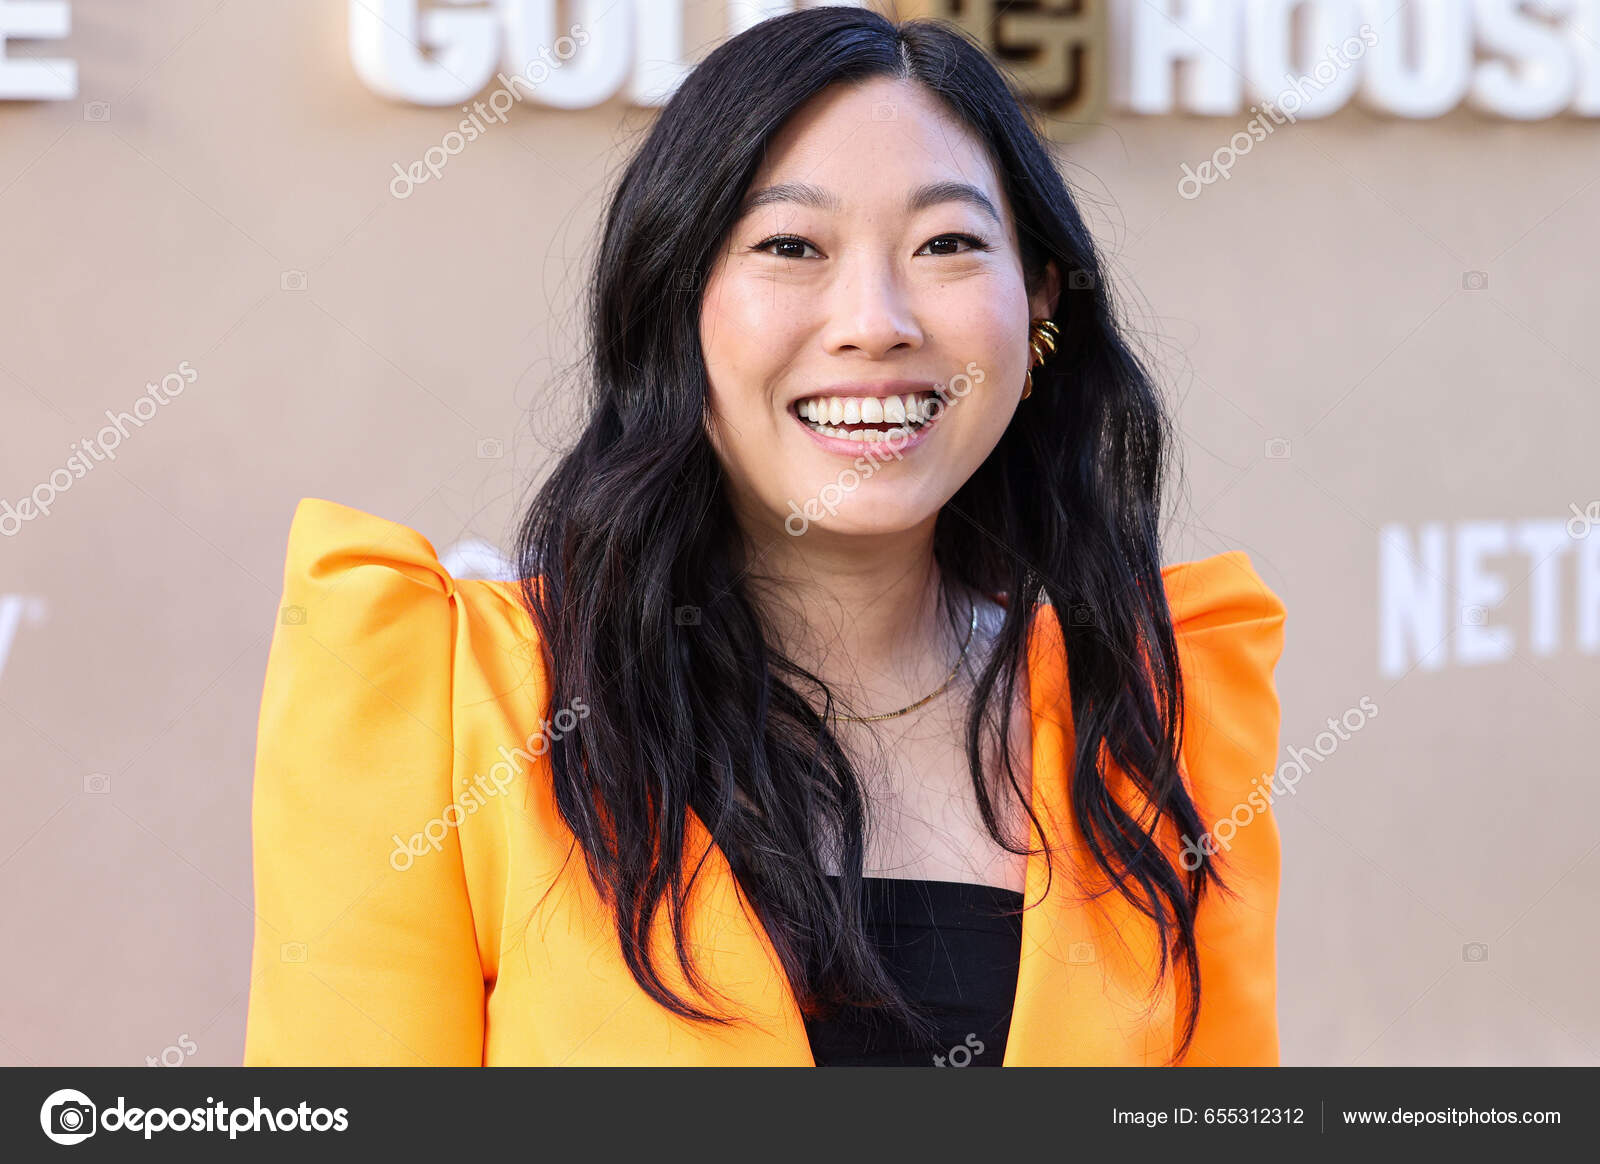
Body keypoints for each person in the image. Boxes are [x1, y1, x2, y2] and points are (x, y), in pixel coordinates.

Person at [243, 7, 1286, 1067]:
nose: (876, 322)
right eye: (790, 246)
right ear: (674, 300)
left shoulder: (1155, 715)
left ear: (1040, 303)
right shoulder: (448, 699)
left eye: (948, 244)